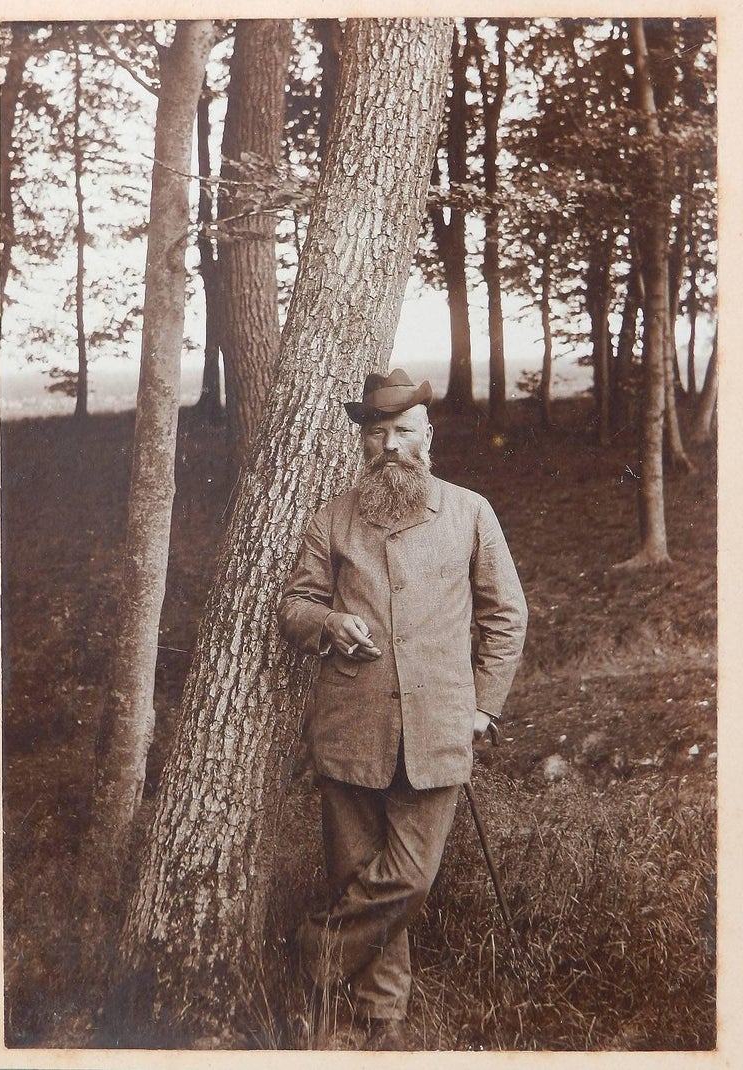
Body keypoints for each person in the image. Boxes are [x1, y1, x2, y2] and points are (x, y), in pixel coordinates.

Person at [277, 368, 528, 1050]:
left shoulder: (471, 512)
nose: (391, 446)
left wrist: (482, 708)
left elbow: (507, 616)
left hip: (440, 728)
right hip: (350, 727)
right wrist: (330, 624)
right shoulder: (331, 519)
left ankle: (315, 951)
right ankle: (379, 1020)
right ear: (362, 442)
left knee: (409, 879)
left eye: (403, 432)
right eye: (377, 433)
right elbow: (294, 608)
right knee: (359, 874)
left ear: (428, 437)